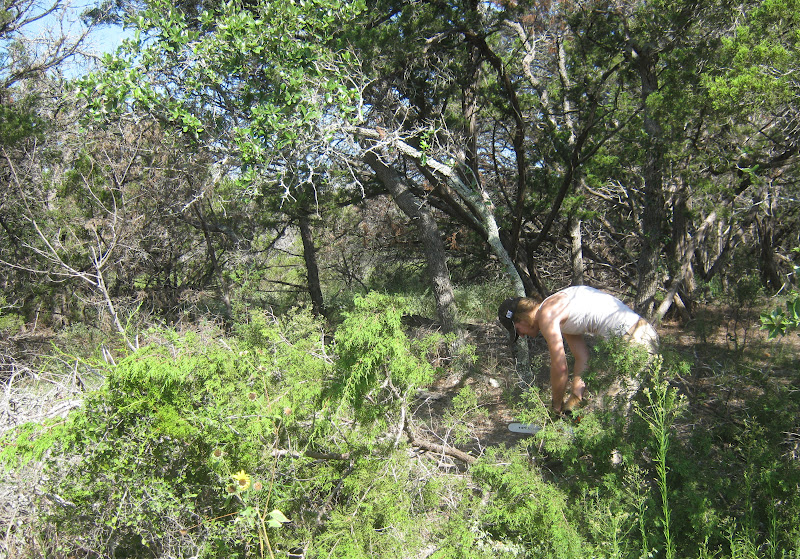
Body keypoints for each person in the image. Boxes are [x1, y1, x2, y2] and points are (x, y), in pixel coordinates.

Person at [498, 286, 658, 415]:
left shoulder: (547, 314)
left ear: (521, 318)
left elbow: (560, 367)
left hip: (634, 339)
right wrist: (573, 401)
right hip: (641, 335)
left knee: (610, 411)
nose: (521, 335)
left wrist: (556, 406)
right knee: (609, 409)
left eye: (517, 329)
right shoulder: (557, 311)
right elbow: (582, 358)